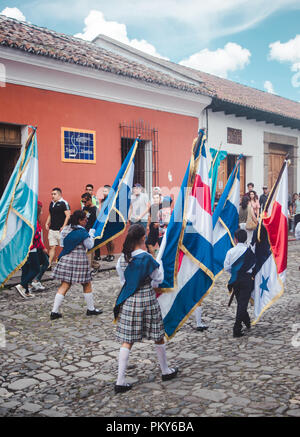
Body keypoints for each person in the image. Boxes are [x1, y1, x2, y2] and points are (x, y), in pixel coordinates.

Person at [114, 224, 178, 394]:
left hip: (129, 301)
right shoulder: (148, 258)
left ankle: (120, 381)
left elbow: (123, 282)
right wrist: (160, 264)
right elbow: (158, 279)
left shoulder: (122, 259)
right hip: (147, 299)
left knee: (127, 340)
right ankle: (165, 371)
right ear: (143, 238)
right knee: (158, 336)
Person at [50, 210, 103, 320]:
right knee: (87, 284)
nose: (86, 221)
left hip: (66, 259)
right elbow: (90, 245)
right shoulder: (83, 232)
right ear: (79, 220)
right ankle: (91, 309)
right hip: (79, 260)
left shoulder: (65, 229)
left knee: (65, 285)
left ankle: (54, 311)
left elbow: (62, 244)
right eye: (85, 219)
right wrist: (91, 235)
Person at [224, 229, 256, 338]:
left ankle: (246, 321)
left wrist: (234, 272)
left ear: (236, 239)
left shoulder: (230, 251)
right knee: (242, 303)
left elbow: (227, 267)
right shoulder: (250, 251)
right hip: (246, 279)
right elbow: (253, 265)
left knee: (241, 303)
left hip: (235, 280)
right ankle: (237, 328)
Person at [15, 201, 45, 299]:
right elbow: (35, 235)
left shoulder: (27, 219)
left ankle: (26, 291)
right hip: (31, 248)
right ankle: (22, 285)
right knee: (36, 268)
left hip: (24, 248)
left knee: (26, 269)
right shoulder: (34, 221)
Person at [45, 188, 71, 269]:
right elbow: (50, 214)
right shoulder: (51, 203)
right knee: (52, 247)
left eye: (54, 194)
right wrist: (47, 223)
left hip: (61, 230)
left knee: (64, 247)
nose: (52, 196)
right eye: (52, 194)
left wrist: (63, 226)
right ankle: (48, 264)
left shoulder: (64, 203)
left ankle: (65, 264)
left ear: (59, 195)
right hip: (52, 229)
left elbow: (68, 215)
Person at [31, 201, 49, 292]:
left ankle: (35, 281)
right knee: (44, 263)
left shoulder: (37, 220)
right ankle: (35, 281)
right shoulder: (34, 221)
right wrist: (43, 247)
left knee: (43, 263)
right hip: (36, 247)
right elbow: (37, 237)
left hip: (38, 246)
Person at [99, 185, 115, 262]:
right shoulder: (102, 201)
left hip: (111, 221)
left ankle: (112, 254)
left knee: (111, 239)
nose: (104, 193)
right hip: (103, 222)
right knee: (106, 239)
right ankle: (108, 254)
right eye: (103, 191)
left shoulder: (112, 200)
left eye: (105, 191)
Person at [146, 193, 162, 257]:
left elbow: (166, 218)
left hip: (160, 229)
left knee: (162, 244)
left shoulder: (162, 206)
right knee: (148, 243)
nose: (155, 199)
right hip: (152, 228)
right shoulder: (152, 207)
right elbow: (150, 216)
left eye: (157, 198)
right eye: (154, 198)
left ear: (160, 199)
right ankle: (154, 258)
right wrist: (147, 225)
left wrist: (159, 224)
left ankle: (160, 259)